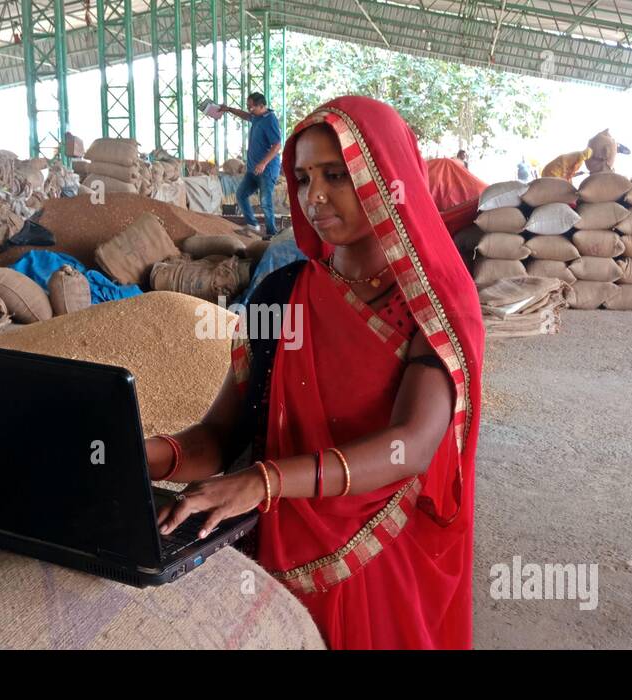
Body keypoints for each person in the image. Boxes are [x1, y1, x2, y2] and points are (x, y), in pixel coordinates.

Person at [145, 96, 484, 649]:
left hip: (380, 556)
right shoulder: (281, 294)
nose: (314, 196)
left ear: (387, 177)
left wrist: (264, 481)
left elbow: (413, 444)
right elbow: (221, 436)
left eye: (337, 175)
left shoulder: (431, 306)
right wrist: (139, 453)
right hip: (270, 547)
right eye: (302, 177)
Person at [221, 93, 282, 236]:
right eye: (248, 106)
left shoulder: (270, 120)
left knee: (265, 202)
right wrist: (229, 109)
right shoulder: (257, 117)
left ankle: (271, 233)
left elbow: (277, 145)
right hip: (253, 168)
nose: (249, 110)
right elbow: (245, 115)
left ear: (261, 106)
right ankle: (253, 225)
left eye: (251, 107)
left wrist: (263, 163)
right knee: (241, 194)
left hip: (266, 169)